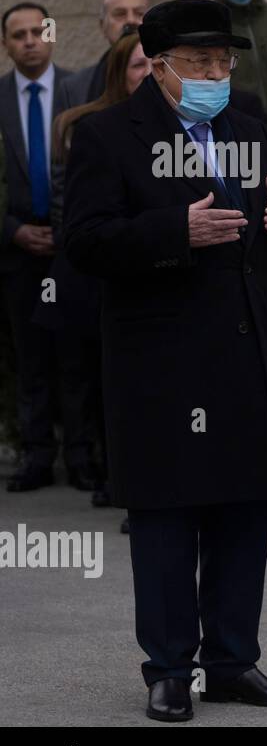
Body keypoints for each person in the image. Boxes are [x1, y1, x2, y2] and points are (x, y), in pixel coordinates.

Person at [63, 0, 267, 723]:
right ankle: (169, 668)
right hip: (162, 363)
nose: (215, 74)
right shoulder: (108, 136)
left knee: (242, 510)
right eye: (199, 62)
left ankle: (233, 661)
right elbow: (85, 242)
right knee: (168, 520)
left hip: (243, 352)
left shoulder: (250, 131)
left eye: (223, 62)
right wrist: (176, 229)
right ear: (159, 66)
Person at [46, 30, 151, 511]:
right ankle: (105, 469)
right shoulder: (85, 126)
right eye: (137, 66)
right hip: (92, 275)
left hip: (150, 278)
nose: (147, 74)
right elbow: (70, 210)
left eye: (156, 65)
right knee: (95, 376)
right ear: (117, 73)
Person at [0, 1, 101, 493]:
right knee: (30, 355)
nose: (30, 41)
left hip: (70, 243)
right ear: (6, 45)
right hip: (17, 245)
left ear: (52, 35)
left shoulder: (77, 90)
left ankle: (82, 455)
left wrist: (69, 231)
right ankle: (37, 454)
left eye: (38, 31)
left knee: (75, 353)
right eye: (17, 35)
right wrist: (13, 229)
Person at [57, 0, 148, 108]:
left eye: (140, 14)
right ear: (103, 26)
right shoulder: (74, 88)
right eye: (120, 14)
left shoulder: (171, 75)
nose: (131, 20)